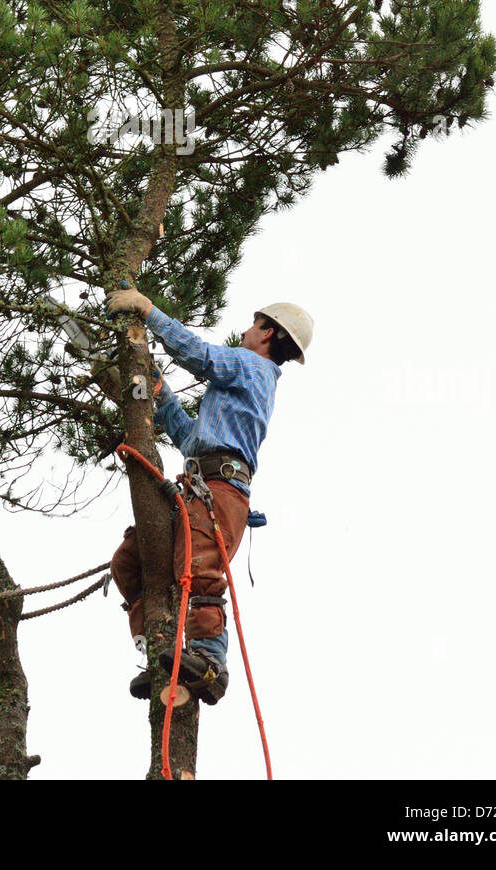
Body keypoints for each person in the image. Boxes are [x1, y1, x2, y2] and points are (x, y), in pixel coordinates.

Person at [105, 289, 314, 704]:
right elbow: (188, 437)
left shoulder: (253, 367)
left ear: (268, 333)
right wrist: (160, 393)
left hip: (220, 492)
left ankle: (210, 665)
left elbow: (200, 355)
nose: (247, 332)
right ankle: (155, 656)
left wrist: (149, 311)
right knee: (128, 565)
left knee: (200, 570)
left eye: (255, 325)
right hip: (198, 486)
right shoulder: (243, 381)